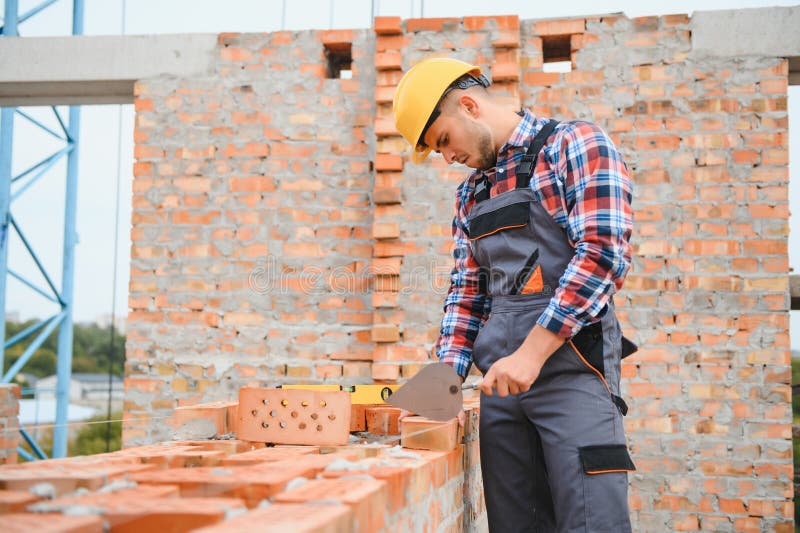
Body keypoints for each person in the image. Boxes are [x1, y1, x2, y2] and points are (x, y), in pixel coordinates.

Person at [393, 57, 638, 532]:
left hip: (574, 379)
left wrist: (531, 354)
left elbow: (603, 255)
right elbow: (467, 296)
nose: (447, 158)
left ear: (469, 105)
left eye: (444, 141)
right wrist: (439, 386)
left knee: (593, 522)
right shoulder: (471, 195)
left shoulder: (575, 145)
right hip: (501, 395)